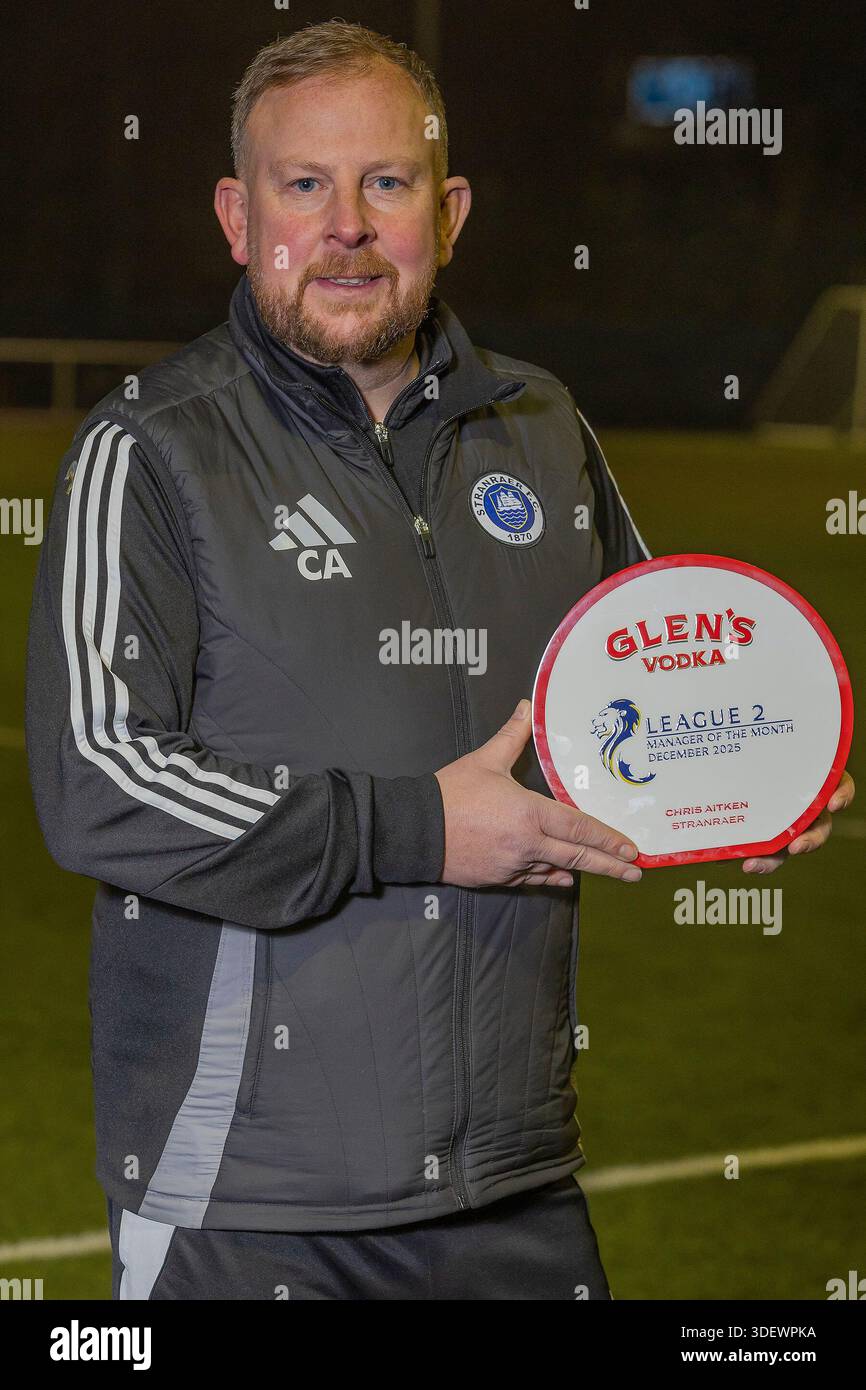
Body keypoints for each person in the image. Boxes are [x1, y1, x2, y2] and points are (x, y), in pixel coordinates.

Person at [24, 20, 854, 1301]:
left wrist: (750, 782)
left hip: (516, 1186)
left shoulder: (542, 425)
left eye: (387, 182)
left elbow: (642, 690)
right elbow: (101, 786)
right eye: (305, 185)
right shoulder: (149, 452)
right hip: (248, 1206)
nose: (347, 224)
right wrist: (416, 828)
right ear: (239, 217)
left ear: (449, 210)